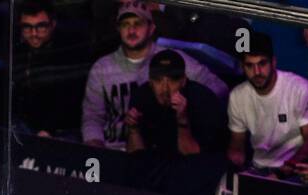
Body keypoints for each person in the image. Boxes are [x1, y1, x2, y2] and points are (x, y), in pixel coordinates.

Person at [82, 0, 227, 151]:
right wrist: (95, 148)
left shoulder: (171, 59)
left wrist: (189, 112)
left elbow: (218, 88)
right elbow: (92, 117)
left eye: (138, 23)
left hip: (159, 151)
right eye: (126, 25)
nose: (132, 30)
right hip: (112, 150)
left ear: (151, 28)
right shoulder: (101, 68)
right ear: (118, 29)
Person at [124, 49, 227, 195]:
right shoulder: (141, 97)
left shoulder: (203, 100)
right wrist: (133, 130)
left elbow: (192, 155)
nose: (165, 89)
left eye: (172, 80)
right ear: (151, 82)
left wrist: (182, 120)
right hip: (159, 168)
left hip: (195, 172)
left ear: (183, 81)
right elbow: (136, 155)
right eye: (159, 80)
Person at [226, 31, 308, 172]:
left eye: (262, 63)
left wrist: (283, 173)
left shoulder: (300, 89)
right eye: (250, 66)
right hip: (258, 168)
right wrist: (237, 166)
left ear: (273, 62)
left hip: (296, 170)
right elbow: (237, 145)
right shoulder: (237, 96)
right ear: (243, 67)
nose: (257, 72)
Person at [10, 0, 91, 138]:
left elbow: (70, 98)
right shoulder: (17, 53)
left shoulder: (68, 53)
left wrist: (48, 130)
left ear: (53, 24)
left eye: (41, 27)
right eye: (27, 27)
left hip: (61, 131)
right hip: (25, 129)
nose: (34, 33)